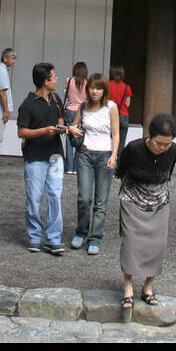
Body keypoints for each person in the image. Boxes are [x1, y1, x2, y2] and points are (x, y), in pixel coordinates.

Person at [117, 112, 176, 309]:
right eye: (159, 143)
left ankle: (148, 287)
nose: (162, 148)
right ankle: (127, 287)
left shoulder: (174, 150)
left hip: (159, 199)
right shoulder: (134, 148)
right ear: (149, 136)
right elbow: (121, 169)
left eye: (166, 144)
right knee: (130, 243)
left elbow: (168, 173)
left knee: (158, 245)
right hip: (133, 197)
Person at [16, 61, 77, 255]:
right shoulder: (28, 104)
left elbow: (60, 121)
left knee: (55, 196)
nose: (57, 79)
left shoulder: (57, 99)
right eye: (54, 77)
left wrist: (65, 129)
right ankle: (34, 236)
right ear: (45, 81)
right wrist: (43, 131)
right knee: (34, 197)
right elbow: (21, 132)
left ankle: (53, 238)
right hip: (35, 155)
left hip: (55, 153)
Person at [69, 72, 119, 255]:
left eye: (99, 88)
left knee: (101, 201)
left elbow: (116, 134)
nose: (95, 91)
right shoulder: (83, 107)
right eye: (92, 88)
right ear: (87, 89)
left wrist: (114, 155)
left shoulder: (111, 107)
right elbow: (73, 126)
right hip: (85, 154)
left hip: (104, 155)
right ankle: (81, 232)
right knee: (84, 197)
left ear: (104, 90)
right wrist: (71, 129)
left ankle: (95, 237)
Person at [62, 62, 88, 175]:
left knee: (68, 138)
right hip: (81, 112)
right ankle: (77, 167)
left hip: (69, 110)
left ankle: (68, 167)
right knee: (79, 138)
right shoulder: (87, 83)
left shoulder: (69, 81)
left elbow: (66, 95)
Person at [107, 65, 134, 160]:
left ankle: (109, 165)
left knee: (109, 142)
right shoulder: (127, 87)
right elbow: (127, 104)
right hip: (123, 116)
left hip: (110, 116)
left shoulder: (107, 85)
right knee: (121, 144)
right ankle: (118, 169)